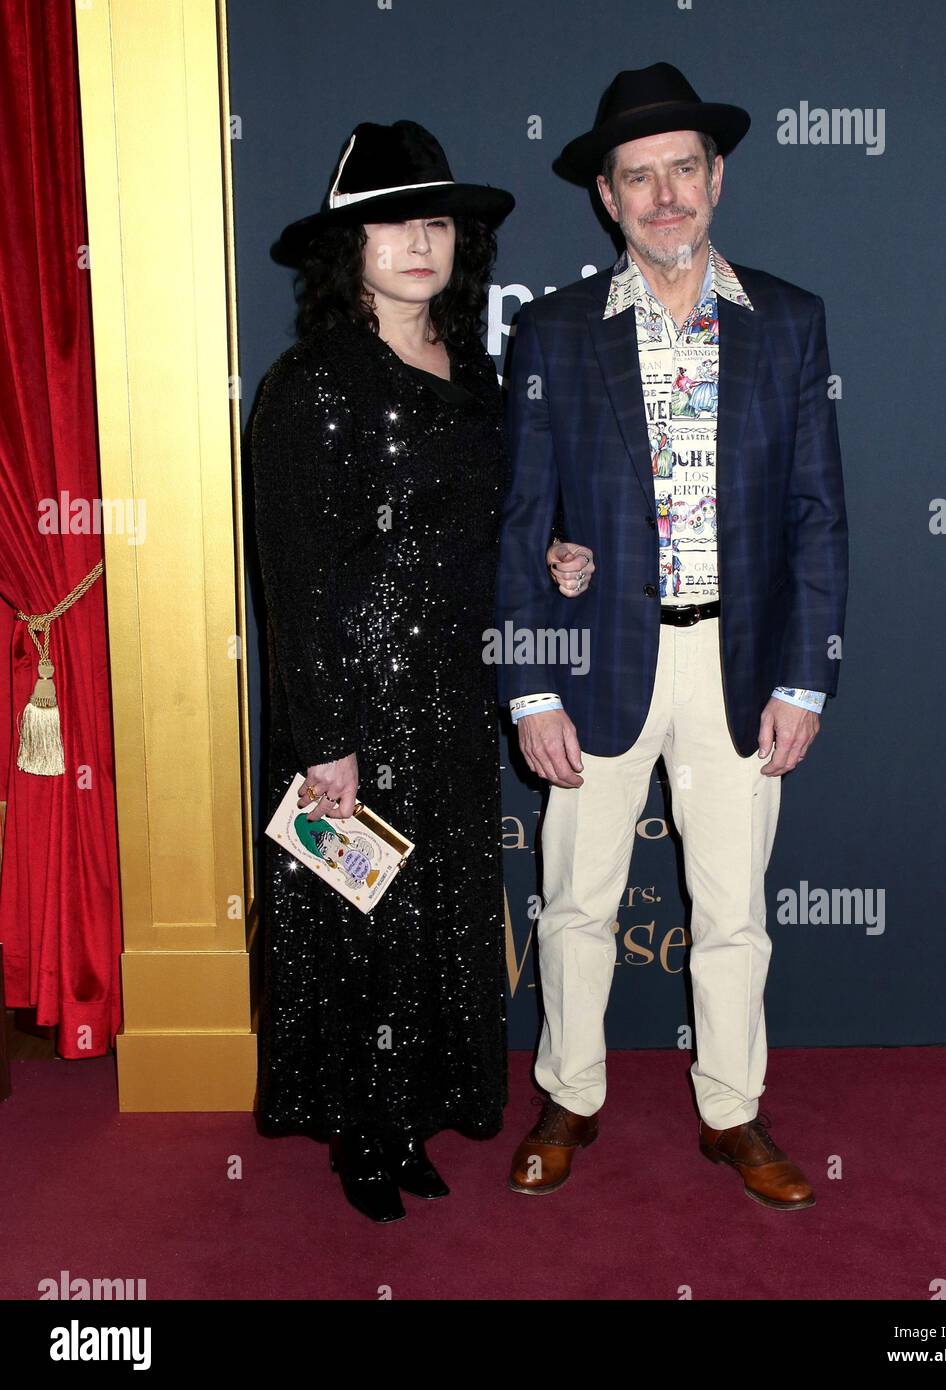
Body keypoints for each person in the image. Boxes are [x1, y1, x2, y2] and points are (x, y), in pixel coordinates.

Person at [494, 64, 849, 1209]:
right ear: (605, 197)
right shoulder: (552, 332)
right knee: (578, 896)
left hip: (739, 663)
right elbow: (520, 521)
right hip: (595, 654)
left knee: (734, 907)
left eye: (681, 170)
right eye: (637, 177)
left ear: (716, 177)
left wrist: (805, 677)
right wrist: (529, 690)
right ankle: (569, 1095)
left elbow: (815, 515)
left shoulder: (788, 321)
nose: (663, 196)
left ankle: (731, 1111)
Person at [252, 119, 596, 1223]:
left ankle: (408, 1114)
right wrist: (323, 735)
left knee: (434, 910)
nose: (417, 241)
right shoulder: (309, 382)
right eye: (391, 223)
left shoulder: (476, 371)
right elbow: (294, 572)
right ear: (346, 247)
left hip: (449, 690)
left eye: (435, 223)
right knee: (356, 912)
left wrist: (545, 554)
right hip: (350, 695)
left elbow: (485, 526)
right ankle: (362, 1130)